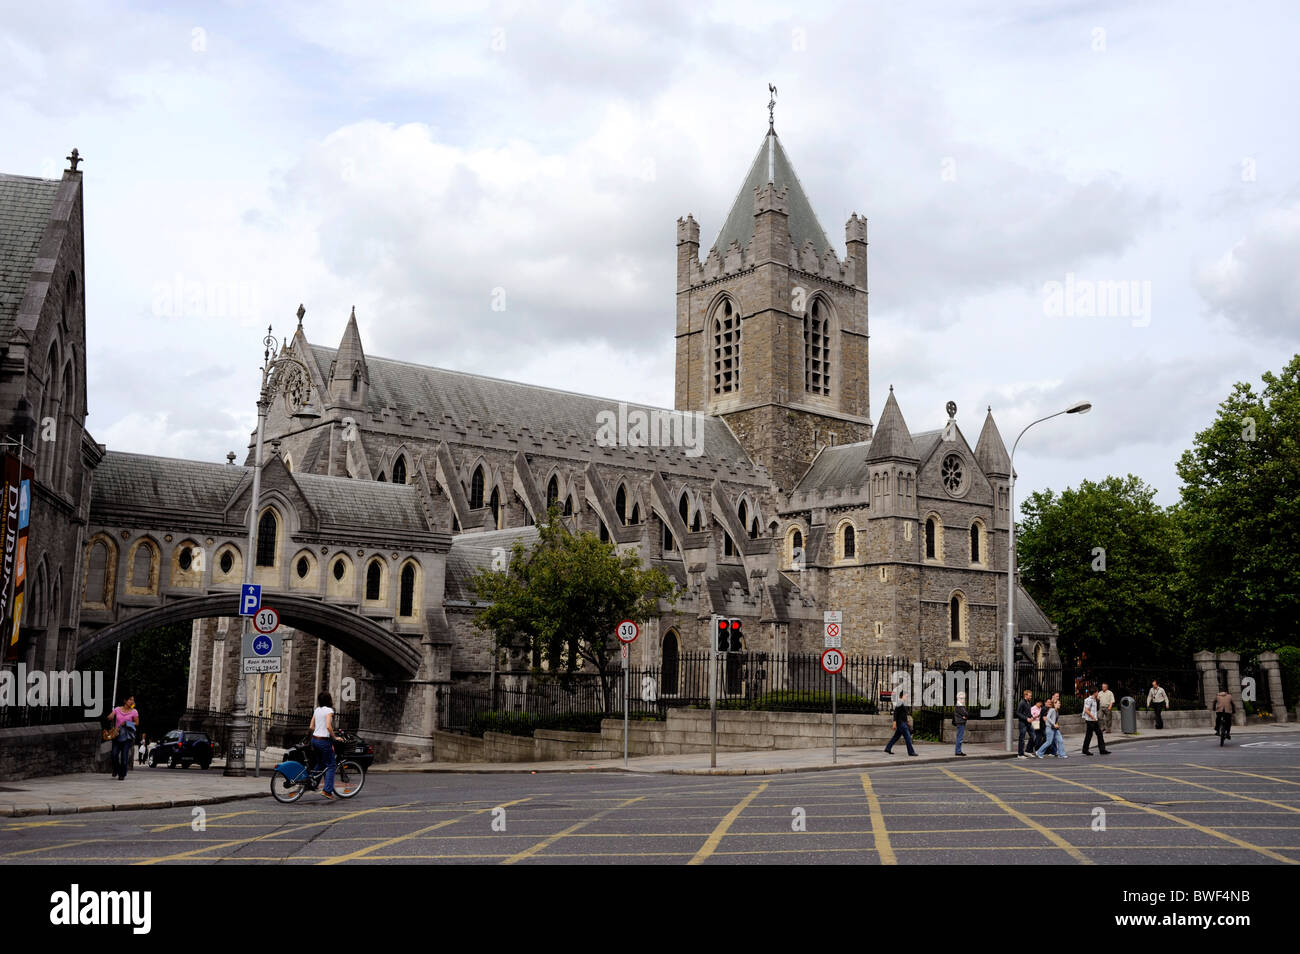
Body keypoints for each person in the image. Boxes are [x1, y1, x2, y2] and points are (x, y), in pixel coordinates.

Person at [310, 691, 345, 799]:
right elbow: (329, 726)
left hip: (314, 740)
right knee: (331, 765)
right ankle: (327, 791)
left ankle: (312, 783)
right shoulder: (329, 710)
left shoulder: (317, 710)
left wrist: (318, 730)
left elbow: (311, 726)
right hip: (323, 741)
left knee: (320, 763)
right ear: (329, 700)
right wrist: (335, 737)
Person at [109, 695, 139, 780]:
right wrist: (110, 716)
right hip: (117, 735)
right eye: (130, 699)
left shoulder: (134, 711)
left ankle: (122, 774)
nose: (131, 701)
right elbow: (111, 715)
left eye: (133, 700)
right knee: (114, 755)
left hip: (127, 736)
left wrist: (127, 723)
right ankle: (116, 769)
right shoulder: (118, 709)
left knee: (124, 757)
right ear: (125, 700)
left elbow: (137, 723)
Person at [884, 689, 918, 756]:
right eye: (906, 695)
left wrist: (907, 721)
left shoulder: (903, 703)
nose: (907, 697)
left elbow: (903, 714)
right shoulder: (900, 702)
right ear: (903, 695)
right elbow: (896, 713)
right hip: (901, 723)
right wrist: (894, 722)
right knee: (908, 737)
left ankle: (888, 748)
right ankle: (911, 752)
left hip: (903, 722)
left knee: (896, 737)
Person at [1081, 688, 1110, 755]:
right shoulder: (1089, 700)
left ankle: (1085, 749)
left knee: (1089, 735)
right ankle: (1102, 750)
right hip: (1090, 720)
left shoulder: (1094, 700)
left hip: (1093, 720)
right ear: (1094, 693)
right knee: (1099, 733)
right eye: (1097, 692)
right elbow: (1086, 710)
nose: (1098, 693)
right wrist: (1093, 717)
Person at [1016, 689, 1034, 758]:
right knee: (1022, 738)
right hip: (1023, 723)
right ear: (1025, 695)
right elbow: (1018, 713)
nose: (1031, 697)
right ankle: (1020, 754)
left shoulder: (1028, 702)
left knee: (1033, 736)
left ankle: (1027, 751)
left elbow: (1028, 713)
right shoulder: (1022, 703)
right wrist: (1027, 718)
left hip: (1028, 723)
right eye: (1030, 696)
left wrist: (1031, 717)